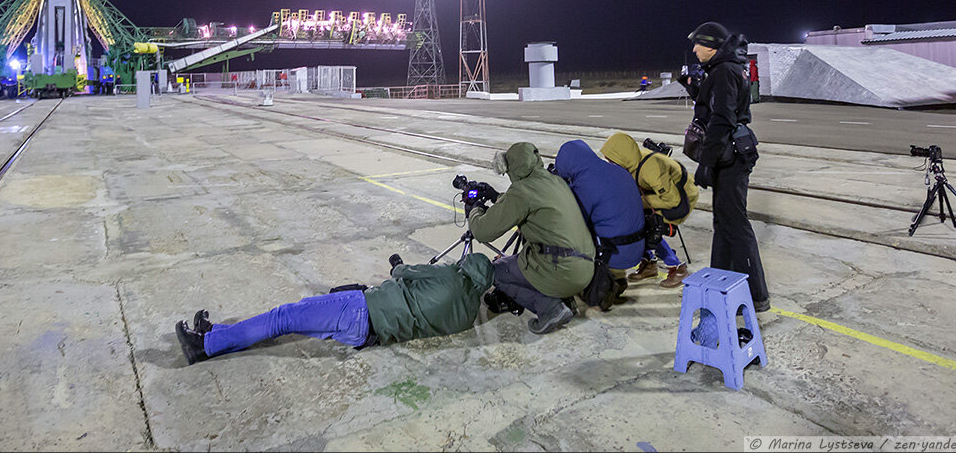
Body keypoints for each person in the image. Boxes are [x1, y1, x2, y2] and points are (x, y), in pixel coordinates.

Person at [174, 252, 494, 365]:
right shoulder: (467, 316)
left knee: (282, 318)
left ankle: (204, 346)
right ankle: (218, 333)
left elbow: (401, 273)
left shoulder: (449, 276)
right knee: (287, 320)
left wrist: (398, 264)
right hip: (370, 334)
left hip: (359, 309)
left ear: (466, 267)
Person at [685, 21, 769, 313]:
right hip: (731, 153)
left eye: (698, 44)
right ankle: (721, 279)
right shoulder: (725, 69)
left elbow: (722, 119)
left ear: (711, 46)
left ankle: (758, 295)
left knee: (735, 223)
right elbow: (719, 106)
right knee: (723, 222)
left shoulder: (724, 72)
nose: (694, 49)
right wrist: (696, 90)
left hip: (729, 156)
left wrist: (705, 164)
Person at [468, 142, 595, 334]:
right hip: (585, 268)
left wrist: (474, 210)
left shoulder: (521, 191)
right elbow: (528, 201)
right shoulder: (555, 181)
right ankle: (565, 300)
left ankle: (550, 308)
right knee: (522, 259)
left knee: (493, 270)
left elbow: (482, 232)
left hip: (562, 272)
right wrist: (495, 196)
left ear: (512, 167)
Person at [552, 139, 649, 309]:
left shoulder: (584, 184)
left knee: (565, 237)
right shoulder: (617, 169)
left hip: (613, 253)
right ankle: (617, 277)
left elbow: (575, 223)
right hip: (637, 249)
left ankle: (600, 286)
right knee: (608, 222)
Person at [600, 132, 698, 287]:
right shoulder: (631, 162)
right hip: (663, 196)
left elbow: (672, 200)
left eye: (611, 158)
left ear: (621, 155)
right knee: (631, 220)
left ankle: (678, 268)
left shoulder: (650, 169)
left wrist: (640, 202)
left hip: (683, 199)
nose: (609, 162)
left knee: (648, 227)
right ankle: (649, 264)